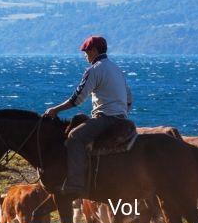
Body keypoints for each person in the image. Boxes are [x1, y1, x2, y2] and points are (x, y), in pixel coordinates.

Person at [43, 35, 134, 197]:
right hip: (122, 119)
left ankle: (75, 185)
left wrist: (55, 110)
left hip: (106, 119)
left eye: (86, 51)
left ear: (94, 50)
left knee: (74, 138)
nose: (85, 55)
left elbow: (77, 99)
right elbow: (129, 100)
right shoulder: (116, 69)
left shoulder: (94, 70)